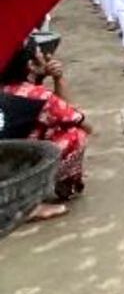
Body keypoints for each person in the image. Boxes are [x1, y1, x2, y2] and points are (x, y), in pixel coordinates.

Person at [1, 38, 90, 217]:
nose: (47, 58)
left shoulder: (8, 89)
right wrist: (59, 78)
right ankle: (29, 205)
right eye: (41, 55)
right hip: (7, 170)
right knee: (75, 135)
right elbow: (79, 120)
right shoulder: (37, 96)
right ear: (31, 65)